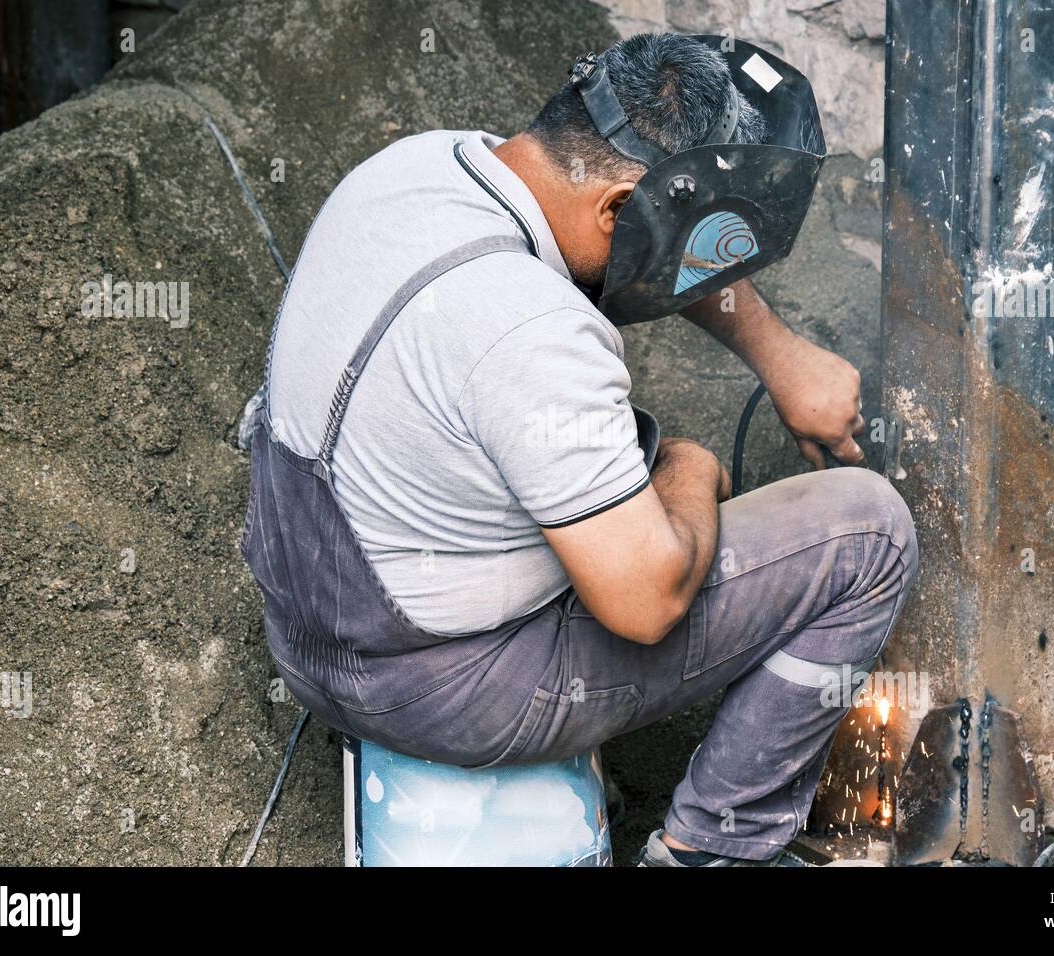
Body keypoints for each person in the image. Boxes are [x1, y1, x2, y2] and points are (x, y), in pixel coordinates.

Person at [243, 32, 916, 866]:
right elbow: (647, 603)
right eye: (678, 235)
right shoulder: (535, 331)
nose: (687, 268)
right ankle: (716, 848)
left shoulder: (415, 169)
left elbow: (640, 247)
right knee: (869, 533)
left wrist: (783, 358)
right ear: (620, 207)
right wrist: (690, 468)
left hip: (310, 628)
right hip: (441, 688)